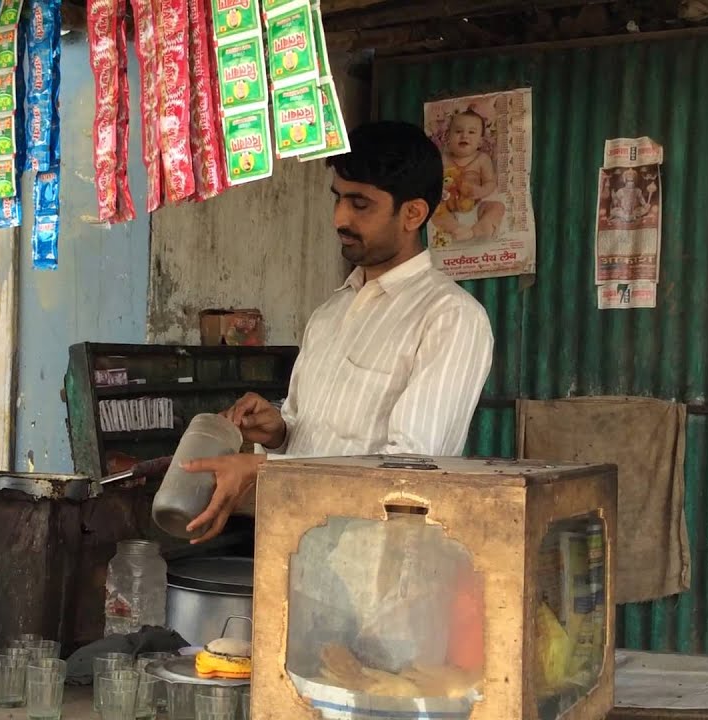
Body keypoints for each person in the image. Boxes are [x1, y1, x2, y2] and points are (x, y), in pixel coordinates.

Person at [182, 121, 495, 543]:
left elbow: (410, 470)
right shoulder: (330, 313)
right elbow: (307, 429)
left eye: (360, 204)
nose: (339, 218)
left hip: (378, 575)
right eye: (338, 199)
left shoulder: (451, 317)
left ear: (413, 213)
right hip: (297, 551)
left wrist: (265, 471)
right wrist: (279, 431)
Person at [429, 110, 506, 243]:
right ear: (448, 137)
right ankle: (457, 229)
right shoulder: (443, 159)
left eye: (471, 132)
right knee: (435, 213)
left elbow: (490, 182)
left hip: (475, 207)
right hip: (449, 207)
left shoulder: (482, 159)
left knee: (498, 206)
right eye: (458, 131)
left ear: (480, 142)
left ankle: (478, 229)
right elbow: (434, 182)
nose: (464, 135)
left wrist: (481, 191)